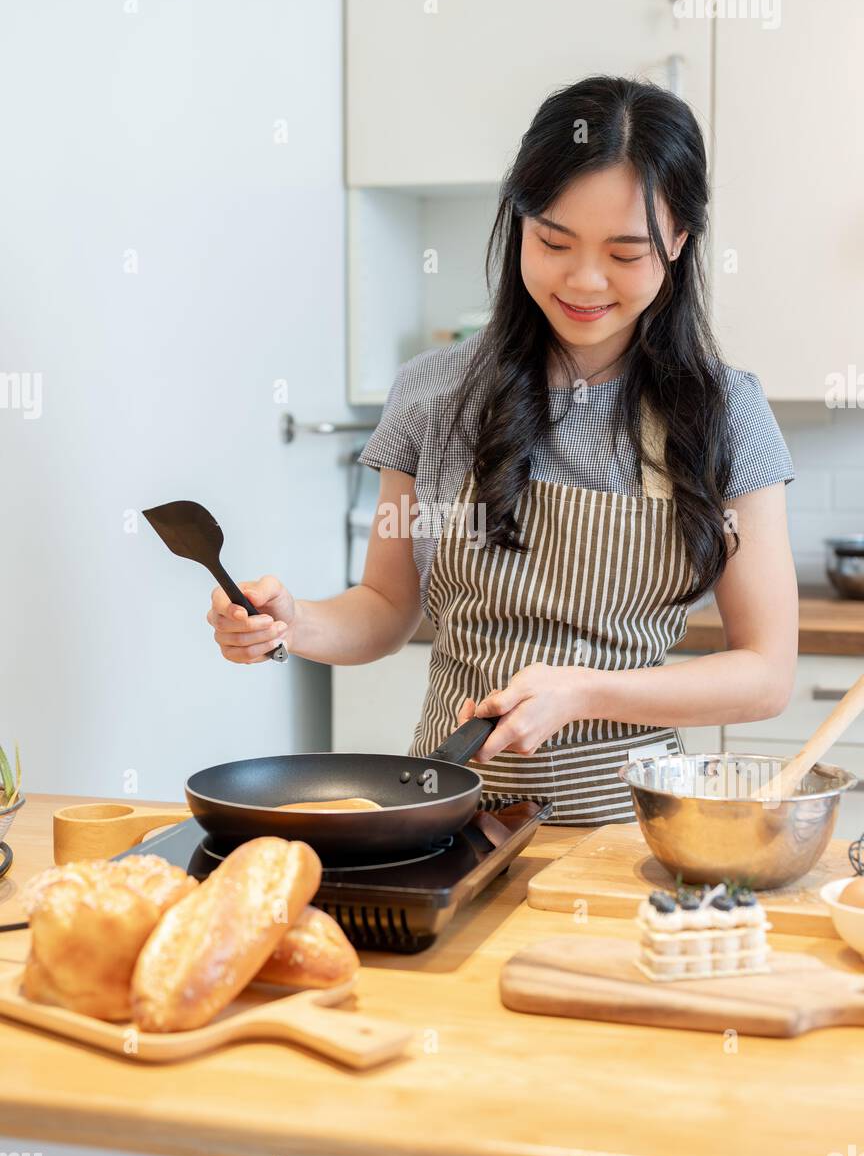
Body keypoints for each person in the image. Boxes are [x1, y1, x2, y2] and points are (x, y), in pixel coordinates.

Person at [207, 76, 798, 825]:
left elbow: (766, 674)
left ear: (678, 243)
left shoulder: (723, 412)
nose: (584, 280)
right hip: (447, 816)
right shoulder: (432, 394)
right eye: (554, 241)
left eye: (625, 252)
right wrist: (293, 622)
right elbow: (387, 608)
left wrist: (585, 690)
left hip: (627, 832)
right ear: (518, 220)